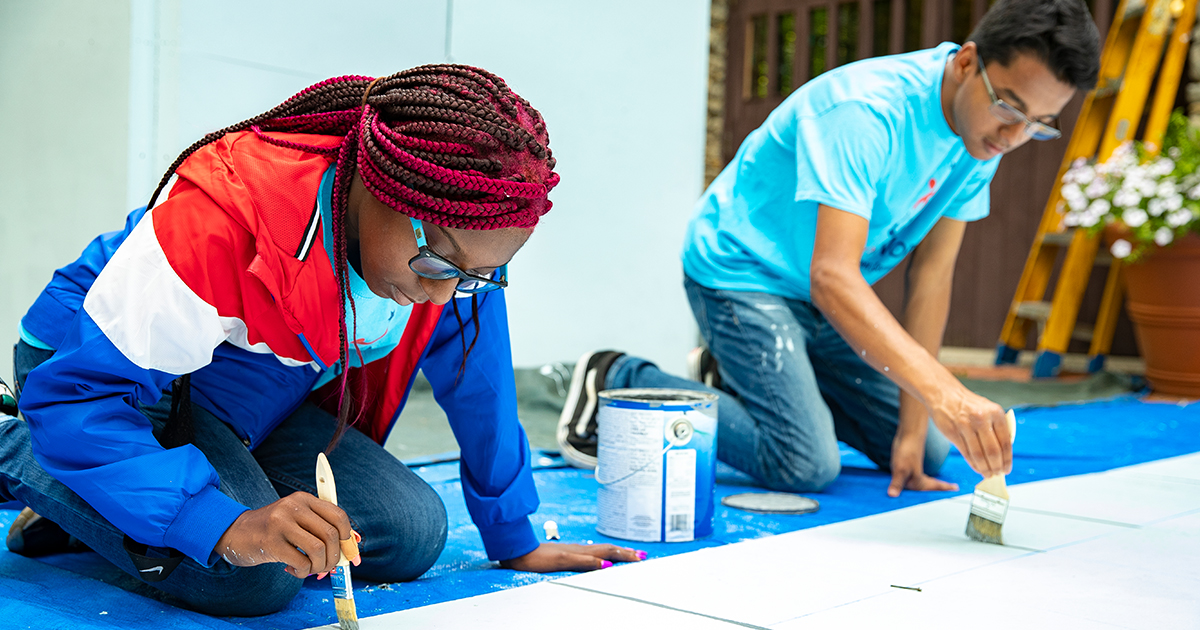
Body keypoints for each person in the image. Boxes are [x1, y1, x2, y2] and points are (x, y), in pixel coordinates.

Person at [0, 65, 640, 617]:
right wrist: (231, 525)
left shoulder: (463, 235)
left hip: (246, 397)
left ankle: (99, 508)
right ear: (382, 189)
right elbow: (80, 396)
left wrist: (513, 535)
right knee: (250, 577)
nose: (445, 294)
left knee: (411, 533)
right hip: (98, 378)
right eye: (438, 261)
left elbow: (480, 380)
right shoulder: (226, 215)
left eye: (476, 276)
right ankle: (17, 448)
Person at [560, 0, 1100, 498]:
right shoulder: (865, 110)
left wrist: (915, 431)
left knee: (929, 448)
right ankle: (619, 377)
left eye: (1039, 124)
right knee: (805, 463)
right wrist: (944, 392)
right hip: (742, 273)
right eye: (1009, 107)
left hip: (818, 297)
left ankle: (736, 378)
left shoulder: (981, 139)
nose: (1014, 136)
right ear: (966, 63)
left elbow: (932, 277)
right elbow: (832, 276)